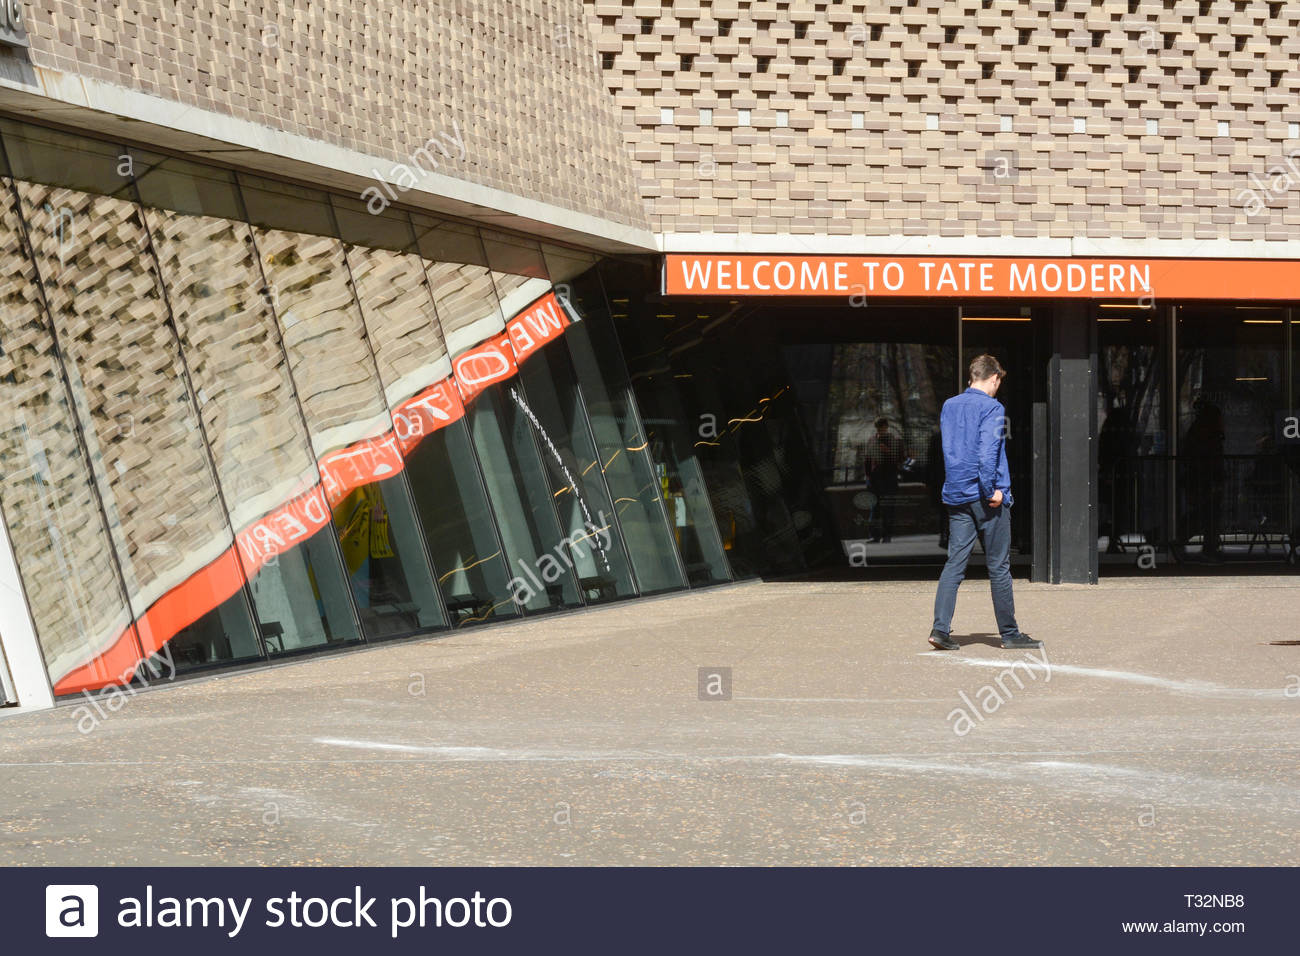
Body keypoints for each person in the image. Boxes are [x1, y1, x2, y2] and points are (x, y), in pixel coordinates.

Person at [928, 355, 1041, 651]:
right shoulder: (993, 407)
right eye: (998, 382)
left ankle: (940, 629)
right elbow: (988, 452)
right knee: (999, 566)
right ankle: (1009, 633)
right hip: (986, 497)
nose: (998, 387)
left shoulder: (949, 405)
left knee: (955, 563)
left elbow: (949, 449)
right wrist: (992, 490)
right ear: (994, 378)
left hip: (956, 495)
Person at [865, 417, 901, 542]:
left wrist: (888, 451)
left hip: (889, 478)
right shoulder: (872, 440)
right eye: (879, 429)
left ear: (887, 427)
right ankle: (874, 536)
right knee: (874, 508)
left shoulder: (895, 441)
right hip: (875, 479)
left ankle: (886, 536)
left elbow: (900, 459)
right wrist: (868, 476)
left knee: (888, 508)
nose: (880, 431)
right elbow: (867, 460)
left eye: (882, 428)